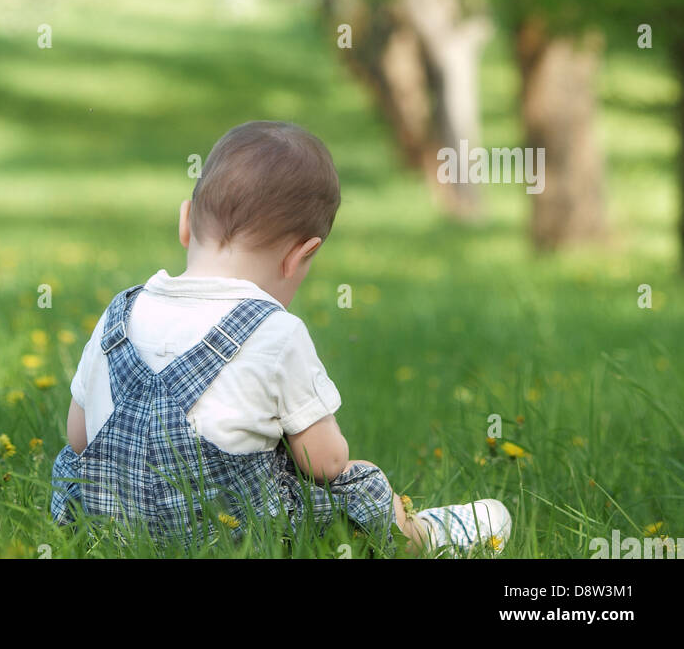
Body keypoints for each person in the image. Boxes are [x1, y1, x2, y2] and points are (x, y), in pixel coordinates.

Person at [50, 120, 511, 554]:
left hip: (112, 533)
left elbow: (78, 437)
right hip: (237, 541)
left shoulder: (122, 311)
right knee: (360, 480)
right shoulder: (275, 330)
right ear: (301, 256)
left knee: (74, 470)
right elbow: (325, 462)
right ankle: (422, 537)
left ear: (186, 222)